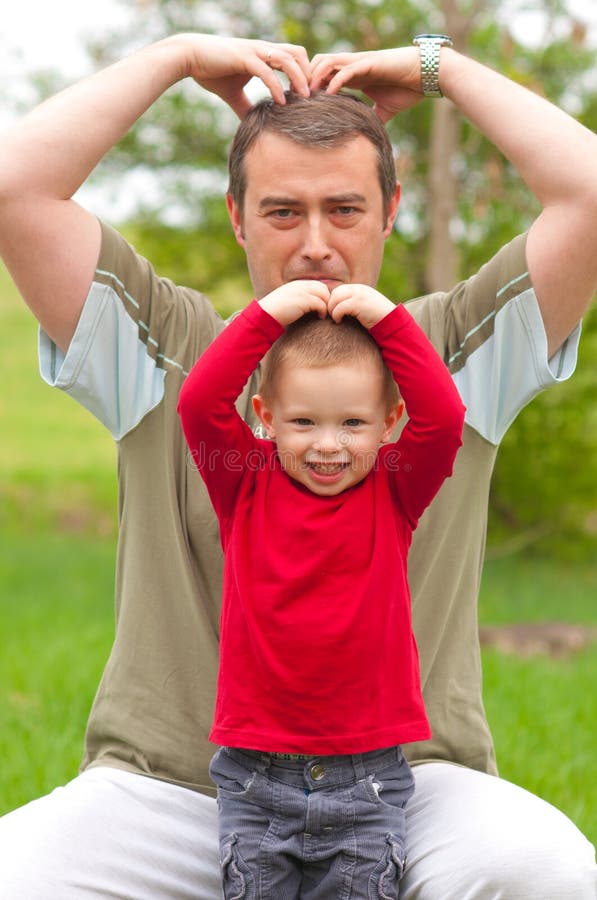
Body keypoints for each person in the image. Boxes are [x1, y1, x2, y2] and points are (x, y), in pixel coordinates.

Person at [0, 31, 595, 900]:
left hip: (407, 780)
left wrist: (438, 69)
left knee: (540, 867)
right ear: (238, 217)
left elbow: (586, 192)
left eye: (344, 210)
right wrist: (173, 59)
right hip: (173, 787)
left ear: (390, 212)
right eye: (283, 212)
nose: (315, 243)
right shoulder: (171, 350)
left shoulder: (449, 356)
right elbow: (18, 190)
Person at [177, 272, 465, 897]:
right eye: (303, 421)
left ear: (389, 422)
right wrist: (265, 316)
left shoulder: (395, 489)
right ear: (265, 417)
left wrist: (390, 321)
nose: (328, 446)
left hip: (366, 783)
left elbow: (444, 419)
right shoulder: (243, 485)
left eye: (353, 424)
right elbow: (197, 403)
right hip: (256, 781)